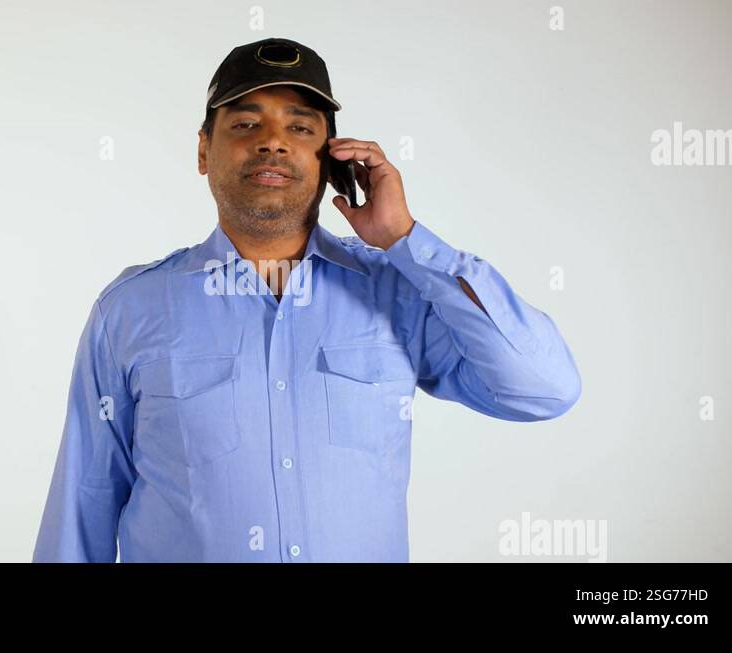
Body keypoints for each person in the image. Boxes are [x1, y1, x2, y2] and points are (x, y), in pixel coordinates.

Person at [32, 37, 581, 562]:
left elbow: (543, 389)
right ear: (204, 150)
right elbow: (83, 505)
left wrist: (407, 240)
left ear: (332, 158)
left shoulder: (396, 291)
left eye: (300, 127)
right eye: (246, 124)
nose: (273, 141)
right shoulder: (131, 310)